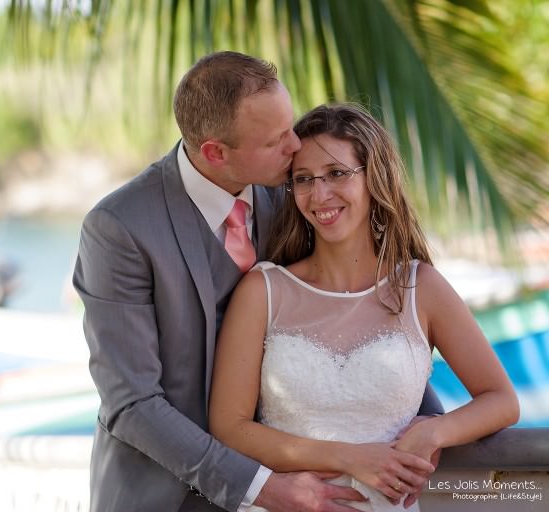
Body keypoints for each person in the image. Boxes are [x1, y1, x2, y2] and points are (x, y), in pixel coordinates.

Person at [73, 52, 442, 512]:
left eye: (289, 126)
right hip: (164, 495)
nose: (294, 145)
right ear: (215, 152)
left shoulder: (294, 191)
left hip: (310, 490)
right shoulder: (120, 228)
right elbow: (131, 403)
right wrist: (260, 487)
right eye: (275, 140)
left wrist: (423, 419)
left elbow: (356, 305)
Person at [208, 103, 520, 512]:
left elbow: (501, 400)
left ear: (375, 178)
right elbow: (230, 429)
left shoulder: (419, 287)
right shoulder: (263, 290)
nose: (320, 195)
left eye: (337, 173)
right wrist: (348, 456)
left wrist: (436, 432)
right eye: (304, 179)